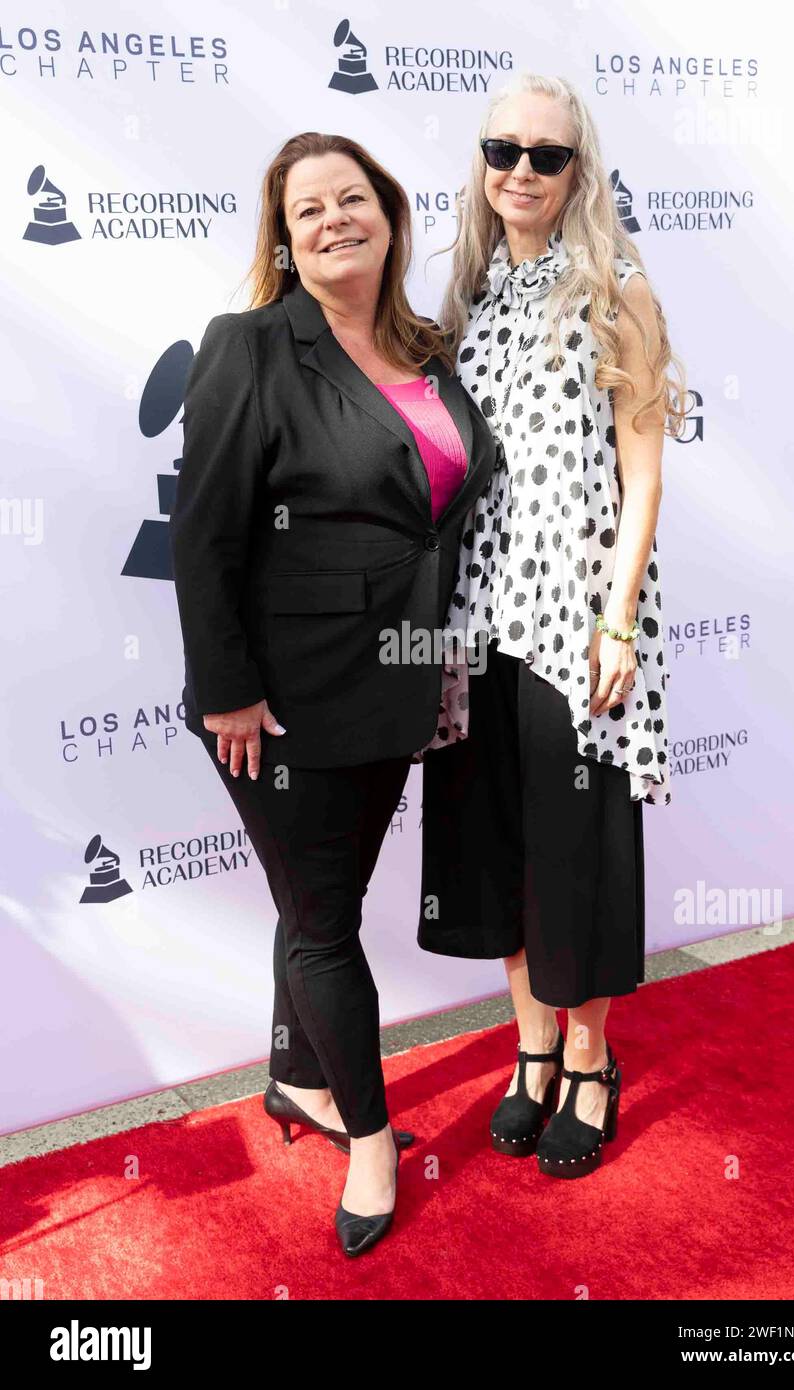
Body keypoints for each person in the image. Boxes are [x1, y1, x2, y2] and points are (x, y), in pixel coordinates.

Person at [169, 131, 496, 1254]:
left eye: (351, 198)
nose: (332, 220)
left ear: (390, 215)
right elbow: (203, 532)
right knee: (320, 924)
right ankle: (365, 1134)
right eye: (306, 211)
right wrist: (226, 695)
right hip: (282, 702)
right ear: (284, 238)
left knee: (325, 905)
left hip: (396, 686)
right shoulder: (250, 346)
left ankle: (294, 1078)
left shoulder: (426, 347)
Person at [417, 73, 687, 1179]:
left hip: (573, 621)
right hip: (478, 623)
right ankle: (528, 1046)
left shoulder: (614, 287)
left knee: (575, 854)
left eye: (546, 155)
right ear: (481, 162)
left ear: (580, 173)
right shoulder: (467, 296)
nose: (519, 170)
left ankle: (587, 1058)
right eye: (502, 149)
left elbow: (643, 469)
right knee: (497, 850)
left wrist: (616, 623)